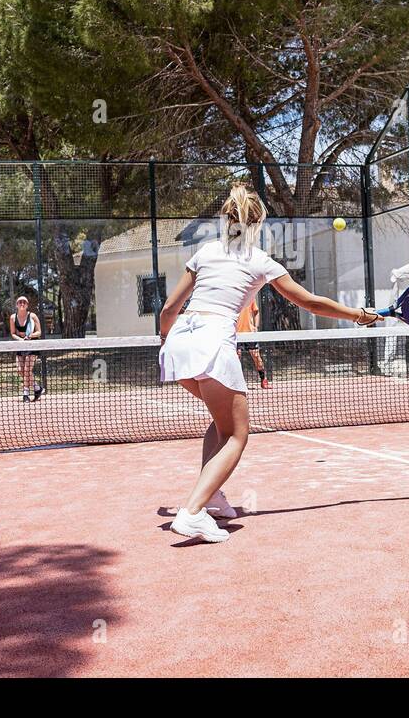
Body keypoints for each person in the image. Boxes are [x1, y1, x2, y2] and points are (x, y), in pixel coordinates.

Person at [158, 183, 382, 542]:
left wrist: (166, 337)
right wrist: (359, 314)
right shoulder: (261, 261)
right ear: (257, 224)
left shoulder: (206, 252)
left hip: (179, 342)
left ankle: (209, 492)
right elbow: (309, 303)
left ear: (225, 220)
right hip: (213, 342)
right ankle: (192, 512)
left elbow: (169, 309)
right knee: (237, 434)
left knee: (221, 423)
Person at [8, 295, 44, 403]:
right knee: (20, 370)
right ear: (16, 305)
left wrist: (30, 336)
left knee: (27, 370)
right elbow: (13, 333)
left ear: (27, 305)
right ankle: (37, 388)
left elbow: (39, 332)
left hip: (32, 345)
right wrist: (21, 340)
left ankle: (26, 393)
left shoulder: (32, 316)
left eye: (24, 302)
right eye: (20, 302)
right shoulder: (13, 318)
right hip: (21, 345)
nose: (22, 303)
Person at [236, 298, 269, 389]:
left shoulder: (250, 297)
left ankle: (263, 379)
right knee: (236, 357)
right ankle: (238, 383)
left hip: (249, 333)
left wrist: (256, 326)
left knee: (256, 356)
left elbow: (256, 312)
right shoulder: (232, 297)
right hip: (236, 334)